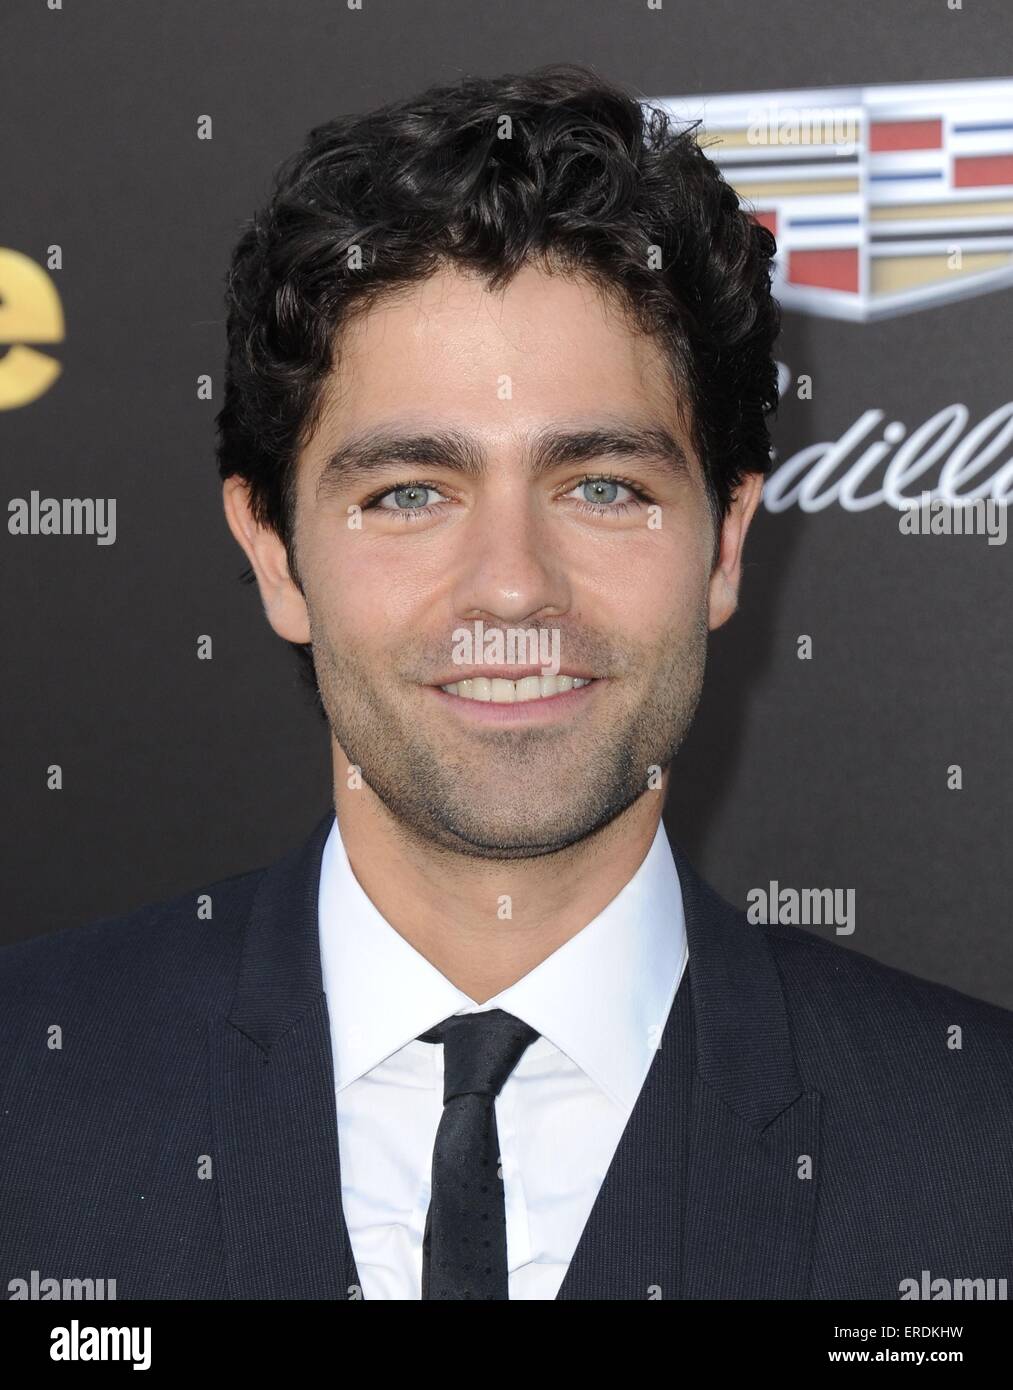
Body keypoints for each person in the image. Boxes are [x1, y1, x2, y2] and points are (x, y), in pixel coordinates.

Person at [2, 63, 1010, 1303]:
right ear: (273, 555)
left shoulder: (977, 1160)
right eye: (409, 493)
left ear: (725, 543)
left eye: (600, 487)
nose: (512, 587)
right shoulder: (22, 1094)